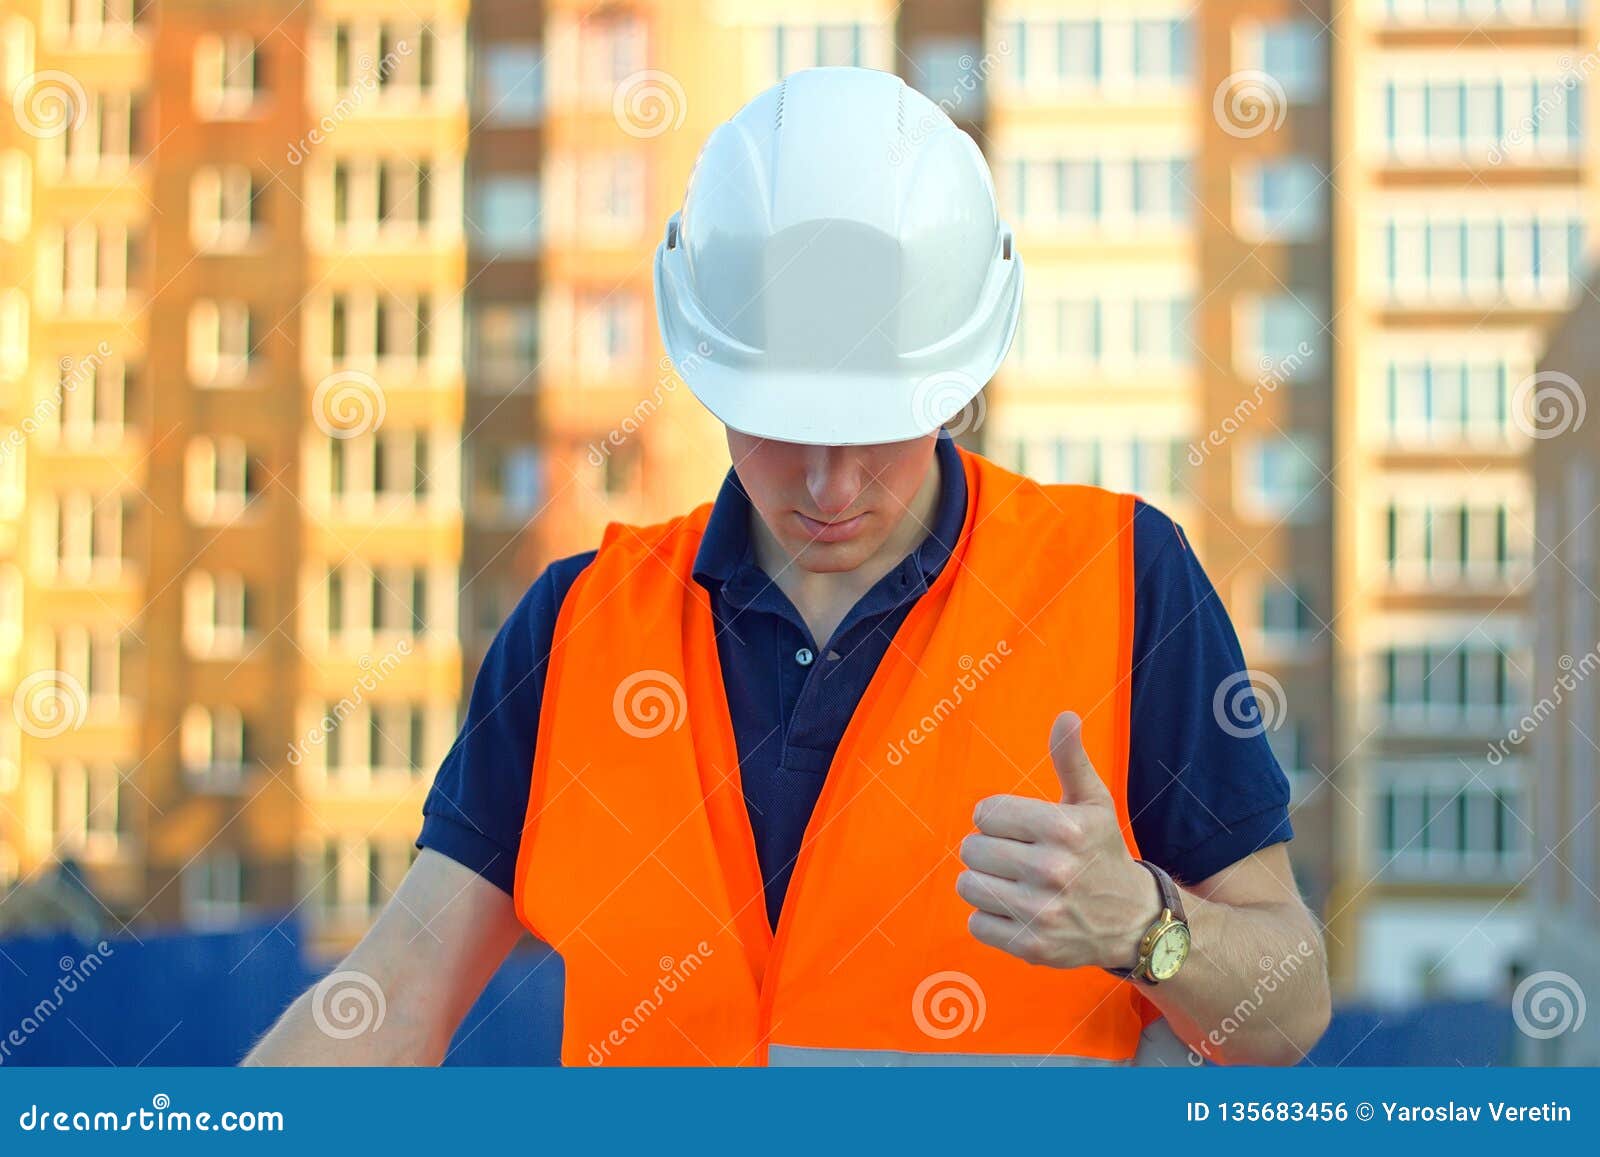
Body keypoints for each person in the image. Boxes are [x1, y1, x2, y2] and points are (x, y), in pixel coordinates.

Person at [246, 66, 1330, 1067]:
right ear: (707, 372)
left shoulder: (1121, 581)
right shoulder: (576, 628)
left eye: (874, 430)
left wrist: (1148, 927)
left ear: (954, 385)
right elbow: (390, 994)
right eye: (778, 427)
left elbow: (1286, 1015)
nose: (828, 485)